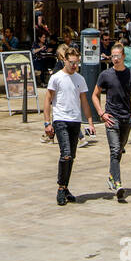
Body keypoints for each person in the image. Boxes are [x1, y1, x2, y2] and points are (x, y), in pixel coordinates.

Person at [92, 43, 131, 201]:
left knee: (119, 150)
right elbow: (95, 95)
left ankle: (111, 176)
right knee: (115, 150)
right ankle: (118, 183)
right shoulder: (105, 75)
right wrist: (102, 113)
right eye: (112, 56)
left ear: (123, 57)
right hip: (111, 118)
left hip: (126, 119)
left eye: (117, 56)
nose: (115, 59)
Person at [44, 46, 95, 205]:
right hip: (60, 120)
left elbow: (84, 101)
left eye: (77, 63)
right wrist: (47, 122)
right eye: (71, 62)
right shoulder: (56, 77)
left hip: (75, 120)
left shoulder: (80, 79)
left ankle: (65, 187)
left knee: (71, 156)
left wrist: (90, 122)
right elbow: (48, 99)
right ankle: (61, 188)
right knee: (65, 153)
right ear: (64, 60)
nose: (74, 66)